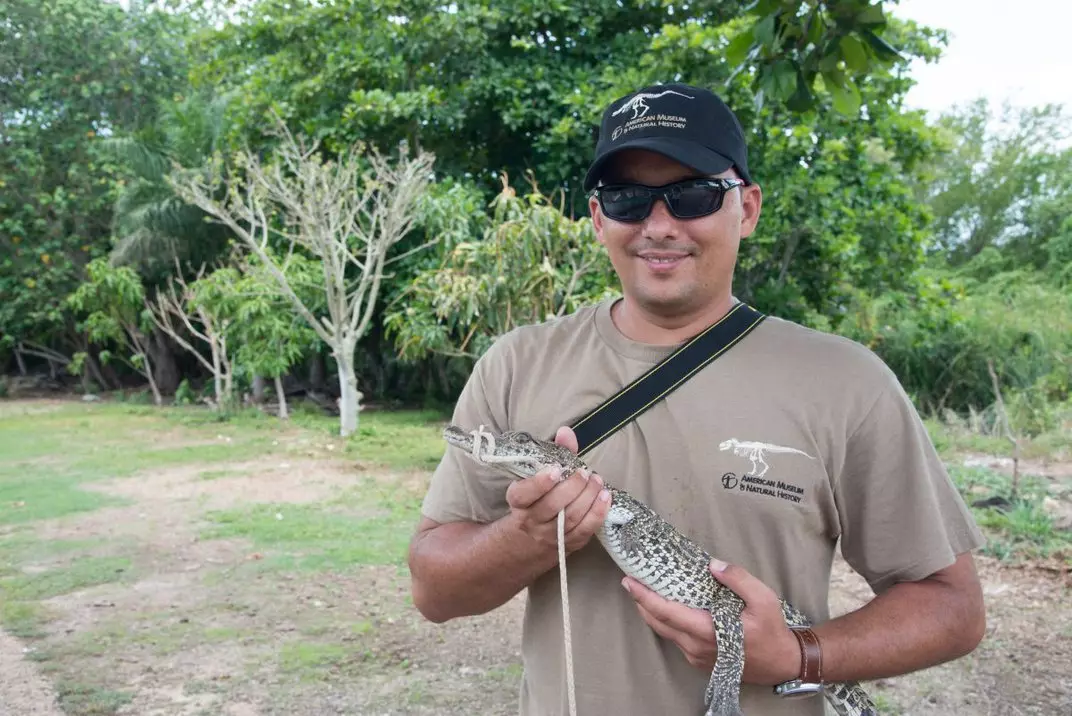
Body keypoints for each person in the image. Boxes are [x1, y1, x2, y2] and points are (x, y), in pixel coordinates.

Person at [407, 82, 986, 716]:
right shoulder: (515, 365)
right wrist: (529, 536)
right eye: (628, 199)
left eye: (693, 195)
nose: (659, 225)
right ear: (600, 218)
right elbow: (434, 592)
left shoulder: (848, 381)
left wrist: (800, 655)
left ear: (748, 208)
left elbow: (952, 607)